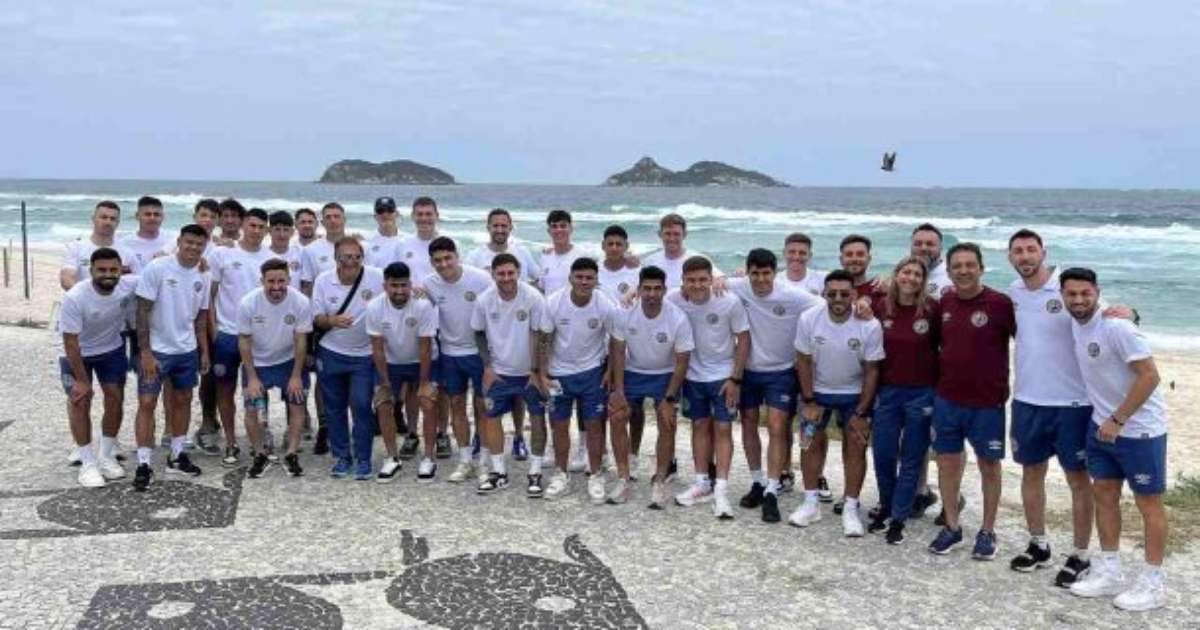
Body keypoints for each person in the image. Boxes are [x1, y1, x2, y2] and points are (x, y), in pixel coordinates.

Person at [1061, 268, 1169, 611]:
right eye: (1071, 294)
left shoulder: (1117, 325)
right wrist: (1107, 422)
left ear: (1097, 293)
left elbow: (1150, 375)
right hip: (1101, 427)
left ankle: (1153, 584)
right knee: (1104, 495)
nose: (1078, 300)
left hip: (1140, 431)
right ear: (1062, 296)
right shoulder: (1078, 324)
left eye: (1085, 294)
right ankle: (1109, 572)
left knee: (1148, 505)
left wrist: (1119, 419)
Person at [1006, 229, 1095, 585]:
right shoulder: (1012, 293)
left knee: (1077, 479)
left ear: (1044, 252)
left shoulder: (1066, 287)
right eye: (1018, 251)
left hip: (1072, 403)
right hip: (1027, 399)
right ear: (1009, 256)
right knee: (1031, 473)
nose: (1025, 256)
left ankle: (1080, 554)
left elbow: (1098, 312)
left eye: (1031, 250)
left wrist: (1130, 312)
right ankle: (1038, 544)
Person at [928, 242, 1016, 560]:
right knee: (948, 464)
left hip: (987, 403)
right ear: (949, 271)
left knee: (989, 466)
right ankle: (952, 527)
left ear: (981, 267)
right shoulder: (945, 301)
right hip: (947, 399)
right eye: (957, 266)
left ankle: (988, 531)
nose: (964, 270)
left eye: (970, 265)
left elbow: (1031, 337)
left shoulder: (1001, 303)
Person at [724, 249, 822, 523]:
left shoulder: (792, 295)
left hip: (781, 371)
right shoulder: (738, 287)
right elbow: (706, 281)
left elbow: (824, 307)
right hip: (748, 370)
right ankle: (757, 481)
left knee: (778, 425)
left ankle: (772, 489)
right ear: (747, 271)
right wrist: (719, 279)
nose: (760, 279)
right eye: (755, 273)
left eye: (766, 273)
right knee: (748, 423)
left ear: (774, 272)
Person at [792, 270, 884, 536]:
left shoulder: (869, 325)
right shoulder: (809, 319)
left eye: (845, 293)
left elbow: (872, 371)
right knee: (809, 443)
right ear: (824, 294)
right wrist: (809, 401)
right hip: (818, 390)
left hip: (854, 393)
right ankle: (811, 502)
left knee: (855, 444)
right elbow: (803, 361)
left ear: (854, 295)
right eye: (832, 294)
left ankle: (851, 507)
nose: (838, 298)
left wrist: (861, 411)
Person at [668, 256, 750, 519]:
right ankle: (703, 482)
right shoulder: (675, 299)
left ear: (711, 278)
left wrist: (736, 379)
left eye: (703, 279)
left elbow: (744, 338)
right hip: (692, 376)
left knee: (723, 428)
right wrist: (631, 292)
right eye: (691, 280)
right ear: (683, 281)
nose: (697, 285)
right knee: (699, 426)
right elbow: (647, 299)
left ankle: (722, 490)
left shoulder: (728, 300)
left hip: (723, 376)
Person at [132, 224, 212, 491]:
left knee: (184, 400)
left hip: (186, 350)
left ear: (204, 246)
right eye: (188, 242)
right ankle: (143, 462)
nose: (193, 248)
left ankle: (177, 455)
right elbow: (141, 311)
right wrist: (145, 352)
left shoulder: (204, 274)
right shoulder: (157, 268)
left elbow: (201, 318)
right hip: (156, 349)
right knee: (146, 402)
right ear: (179, 241)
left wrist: (204, 351)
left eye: (199, 244)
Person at [608, 266, 693, 508]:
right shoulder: (624, 313)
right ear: (639, 289)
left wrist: (669, 398)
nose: (652, 294)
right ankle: (623, 477)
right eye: (647, 288)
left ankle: (660, 479)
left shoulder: (677, 317)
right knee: (616, 416)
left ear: (665, 290)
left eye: (657, 289)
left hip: (665, 373)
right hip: (633, 371)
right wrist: (618, 390)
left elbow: (682, 361)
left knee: (667, 422)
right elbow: (617, 351)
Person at [869, 257, 940, 545]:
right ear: (896, 275)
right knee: (883, 454)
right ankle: (886, 506)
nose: (911, 278)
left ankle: (899, 517)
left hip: (922, 393)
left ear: (923, 280)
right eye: (905, 272)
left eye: (917, 274)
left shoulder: (932, 309)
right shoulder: (879, 306)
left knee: (912, 457)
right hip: (887, 392)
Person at [470, 253, 552, 494]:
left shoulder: (533, 297)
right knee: (491, 416)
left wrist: (538, 371)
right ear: (493, 274)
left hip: (528, 372)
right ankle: (498, 472)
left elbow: (541, 335)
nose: (506, 278)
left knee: (537, 418)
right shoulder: (485, 300)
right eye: (501, 273)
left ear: (519, 273)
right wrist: (487, 367)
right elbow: (478, 332)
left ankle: (535, 472)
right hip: (499, 372)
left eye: (510, 273)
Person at [543, 257, 619, 502]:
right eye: (580, 277)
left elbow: (616, 341)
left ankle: (595, 474)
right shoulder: (554, 302)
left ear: (597, 280)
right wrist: (542, 373)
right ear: (571, 278)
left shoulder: (605, 304)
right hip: (559, 373)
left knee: (595, 424)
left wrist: (611, 372)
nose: (584, 282)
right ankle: (560, 474)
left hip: (591, 372)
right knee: (559, 425)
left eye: (589, 278)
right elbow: (542, 339)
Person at [57, 247, 135, 487]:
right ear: (90, 270)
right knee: (80, 401)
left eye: (113, 269)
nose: (108, 274)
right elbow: (70, 342)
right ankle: (88, 462)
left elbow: (161, 271)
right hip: (75, 352)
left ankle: (105, 455)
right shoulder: (75, 297)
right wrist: (81, 380)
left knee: (115, 398)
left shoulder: (128, 285)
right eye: (101, 270)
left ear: (121, 270)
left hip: (110, 349)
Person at [312, 236, 385, 480]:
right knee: (334, 408)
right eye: (345, 256)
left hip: (364, 354)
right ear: (336, 258)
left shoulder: (376, 276)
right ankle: (342, 456)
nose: (351, 261)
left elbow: (399, 290)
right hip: (331, 351)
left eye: (356, 256)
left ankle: (363, 458)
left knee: (362, 405)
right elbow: (316, 317)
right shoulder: (324, 280)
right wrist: (332, 320)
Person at [424, 237, 494, 483]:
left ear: (457, 256)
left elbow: (493, 315)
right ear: (431, 262)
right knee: (456, 406)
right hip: (450, 353)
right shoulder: (429, 284)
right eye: (437, 261)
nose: (443, 264)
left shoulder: (481, 279)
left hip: (478, 352)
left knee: (483, 407)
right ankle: (465, 460)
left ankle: (484, 460)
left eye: (447, 258)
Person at [208, 208, 274, 466]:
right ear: (243, 225)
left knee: (258, 390)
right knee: (225, 389)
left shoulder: (271, 258)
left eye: (261, 226)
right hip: (226, 334)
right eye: (252, 225)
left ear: (266, 230)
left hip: (258, 337)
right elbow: (210, 296)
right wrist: (213, 330)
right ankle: (231, 442)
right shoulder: (222, 253)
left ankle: (261, 436)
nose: (256, 230)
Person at [236, 258, 312, 479]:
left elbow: (301, 340)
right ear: (262, 281)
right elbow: (244, 341)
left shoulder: (300, 302)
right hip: (258, 364)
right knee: (253, 410)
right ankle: (260, 453)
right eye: (271, 281)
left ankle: (291, 453)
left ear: (289, 279)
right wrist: (251, 378)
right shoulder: (248, 303)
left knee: (298, 405)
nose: (276, 287)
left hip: (288, 361)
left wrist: (296, 375)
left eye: (281, 281)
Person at [366, 262, 440, 482]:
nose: (399, 291)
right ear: (385, 286)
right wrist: (385, 384)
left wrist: (424, 382)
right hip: (391, 361)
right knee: (383, 403)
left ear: (410, 284)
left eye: (404, 285)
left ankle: (428, 457)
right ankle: (392, 457)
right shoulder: (374, 307)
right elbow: (377, 348)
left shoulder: (422, 305)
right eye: (394, 285)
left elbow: (425, 345)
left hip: (422, 359)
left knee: (427, 401)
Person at [395, 196, 447, 459]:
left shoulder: (447, 243)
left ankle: (442, 432)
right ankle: (412, 433)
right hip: (409, 322)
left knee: (441, 385)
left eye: (429, 213)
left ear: (437, 214)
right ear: (413, 216)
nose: (425, 218)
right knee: (413, 384)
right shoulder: (403, 244)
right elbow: (394, 280)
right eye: (420, 214)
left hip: (441, 322)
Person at [301, 202, 349, 454]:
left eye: (337, 216)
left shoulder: (355, 246)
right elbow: (306, 289)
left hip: (354, 321)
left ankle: (346, 425)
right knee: (323, 377)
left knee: (353, 376)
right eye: (328, 217)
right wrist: (310, 327)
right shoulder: (311, 250)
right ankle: (324, 425)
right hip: (322, 323)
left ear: (344, 218)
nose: (332, 220)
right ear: (322, 221)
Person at [60, 201, 133, 290]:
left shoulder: (127, 252)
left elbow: (138, 283)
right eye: (103, 217)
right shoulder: (77, 247)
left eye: (112, 219)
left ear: (117, 223)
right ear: (93, 219)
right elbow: (66, 278)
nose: (108, 222)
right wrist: (83, 298)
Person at [642, 214, 723, 289]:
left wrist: (719, 281)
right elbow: (638, 285)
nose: (672, 238)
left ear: (684, 234)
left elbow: (720, 278)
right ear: (660, 234)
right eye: (667, 234)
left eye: (676, 234)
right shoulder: (650, 262)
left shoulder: (698, 259)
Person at [464, 208, 539, 282]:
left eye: (504, 226)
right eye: (495, 226)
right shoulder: (475, 257)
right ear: (488, 228)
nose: (500, 230)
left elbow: (541, 279)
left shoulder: (522, 252)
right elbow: (465, 283)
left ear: (510, 228)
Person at [119, 196, 171, 273]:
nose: (152, 218)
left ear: (163, 217)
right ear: (137, 216)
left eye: (156, 214)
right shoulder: (124, 244)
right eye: (147, 214)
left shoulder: (172, 242)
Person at [597, 225, 640, 303]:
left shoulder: (637, 272)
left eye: (618, 244)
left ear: (626, 246)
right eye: (610, 244)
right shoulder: (595, 271)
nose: (614, 248)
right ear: (603, 245)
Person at [911, 223, 952, 298]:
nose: (923, 248)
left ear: (941, 248)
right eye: (918, 244)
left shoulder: (952, 278)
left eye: (930, 244)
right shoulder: (902, 276)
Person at [267, 211, 304, 289]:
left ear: (292, 232)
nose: (282, 234)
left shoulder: (301, 253)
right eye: (277, 229)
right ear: (269, 231)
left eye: (286, 230)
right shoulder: (262, 255)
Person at [365, 196, 404, 269]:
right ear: (375, 216)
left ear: (397, 214)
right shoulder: (366, 241)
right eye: (381, 211)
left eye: (390, 210)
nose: (385, 214)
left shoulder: (407, 240)